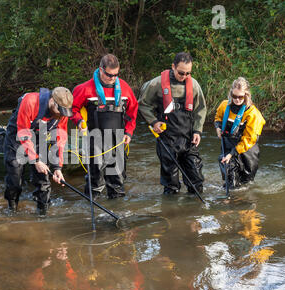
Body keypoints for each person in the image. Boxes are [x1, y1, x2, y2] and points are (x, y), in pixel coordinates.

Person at [138, 52, 207, 195]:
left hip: (188, 139)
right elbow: (143, 105)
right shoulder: (156, 84)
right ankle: (171, 214)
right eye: (181, 73)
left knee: (196, 181)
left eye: (188, 73)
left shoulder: (193, 85)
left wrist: (197, 131)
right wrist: (154, 122)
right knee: (171, 185)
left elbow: (201, 109)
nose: (184, 76)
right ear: (173, 67)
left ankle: (194, 213)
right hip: (166, 139)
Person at [71, 54, 138, 199]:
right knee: (94, 182)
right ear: (101, 70)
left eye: (116, 75)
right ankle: (92, 210)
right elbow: (73, 109)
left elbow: (133, 112)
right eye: (109, 75)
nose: (113, 78)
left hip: (117, 141)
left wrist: (129, 132)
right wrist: (79, 122)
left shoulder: (125, 88)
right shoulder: (85, 89)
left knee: (117, 183)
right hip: (94, 140)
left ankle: (117, 211)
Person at [3, 87, 73, 214]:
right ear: (52, 101)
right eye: (60, 111)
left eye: (64, 112)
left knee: (43, 179)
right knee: (15, 177)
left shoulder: (62, 112)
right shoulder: (30, 101)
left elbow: (60, 139)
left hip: (40, 137)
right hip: (18, 135)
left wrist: (58, 167)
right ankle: (12, 210)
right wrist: (35, 160)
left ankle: (43, 213)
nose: (61, 115)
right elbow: (23, 133)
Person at [215, 77, 265, 189]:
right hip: (228, 147)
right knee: (230, 183)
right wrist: (218, 127)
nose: (237, 99)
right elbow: (218, 117)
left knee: (245, 185)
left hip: (247, 153)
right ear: (231, 94)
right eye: (234, 96)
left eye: (240, 97)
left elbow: (249, 139)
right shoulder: (224, 105)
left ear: (246, 95)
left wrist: (232, 153)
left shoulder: (253, 114)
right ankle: (230, 200)